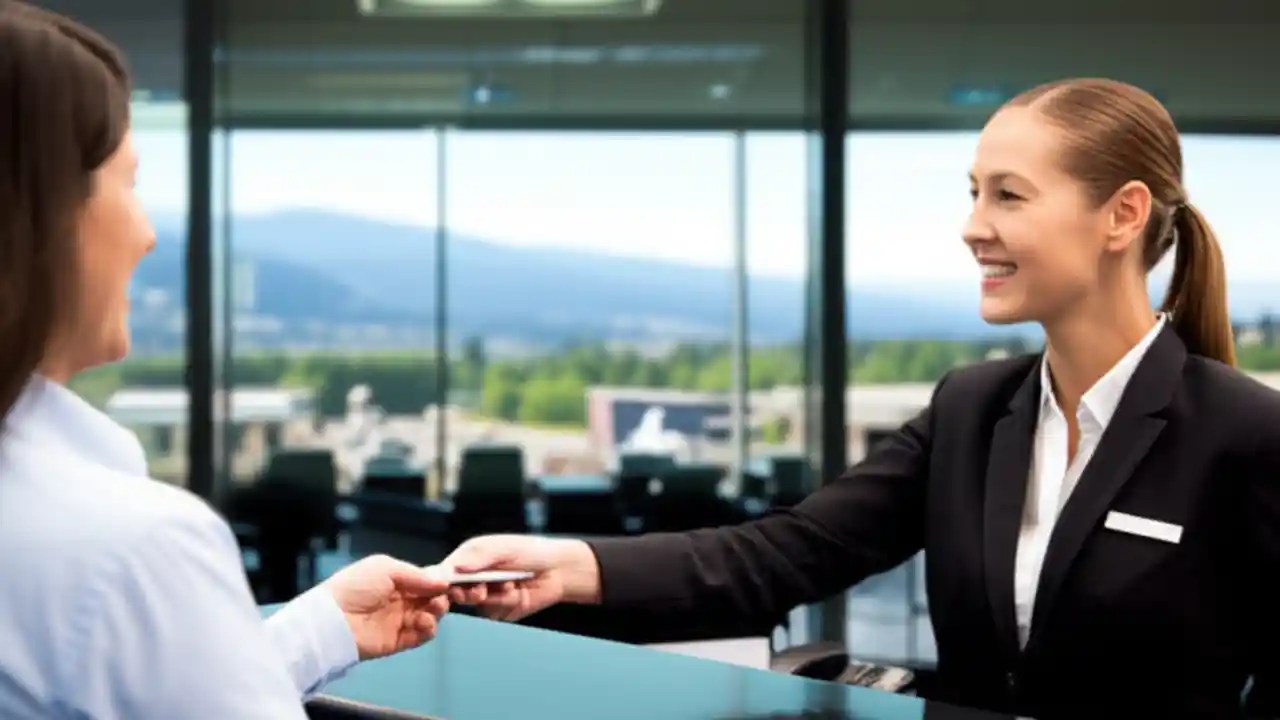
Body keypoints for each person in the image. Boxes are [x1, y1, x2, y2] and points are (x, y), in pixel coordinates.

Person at [440, 78, 1280, 718]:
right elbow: (785, 552)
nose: (972, 225)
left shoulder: (1245, 434)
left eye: (1009, 195)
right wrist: (570, 568)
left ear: (1122, 215)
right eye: (973, 190)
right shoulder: (972, 411)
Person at [0, 4, 451, 718]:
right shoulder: (132, 550)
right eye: (127, 181)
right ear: (38, 215)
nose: (146, 234)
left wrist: (312, 631)